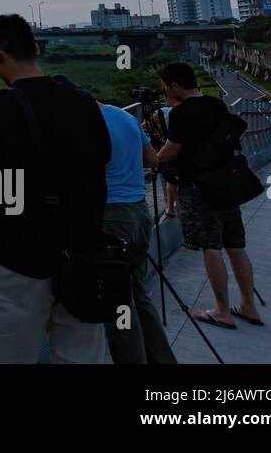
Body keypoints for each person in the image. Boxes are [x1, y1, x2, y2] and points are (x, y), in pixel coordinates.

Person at [0, 14, 111, 363]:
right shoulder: (83, 101)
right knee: (83, 357)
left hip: (17, 257)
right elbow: (102, 163)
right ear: (35, 48)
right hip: (82, 255)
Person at [156, 62, 261, 329]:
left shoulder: (180, 114)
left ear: (176, 86)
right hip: (227, 182)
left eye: (166, 88)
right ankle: (248, 305)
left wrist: (152, 156)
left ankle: (222, 310)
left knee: (210, 247)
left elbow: (170, 151)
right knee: (235, 245)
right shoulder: (216, 105)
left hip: (199, 187)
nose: (166, 93)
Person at [98, 101, 177, 363]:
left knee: (116, 301)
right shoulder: (125, 117)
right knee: (136, 293)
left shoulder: (90, 123)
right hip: (138, 213)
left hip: (111, 217)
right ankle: (162, 359)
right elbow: (153, 159)